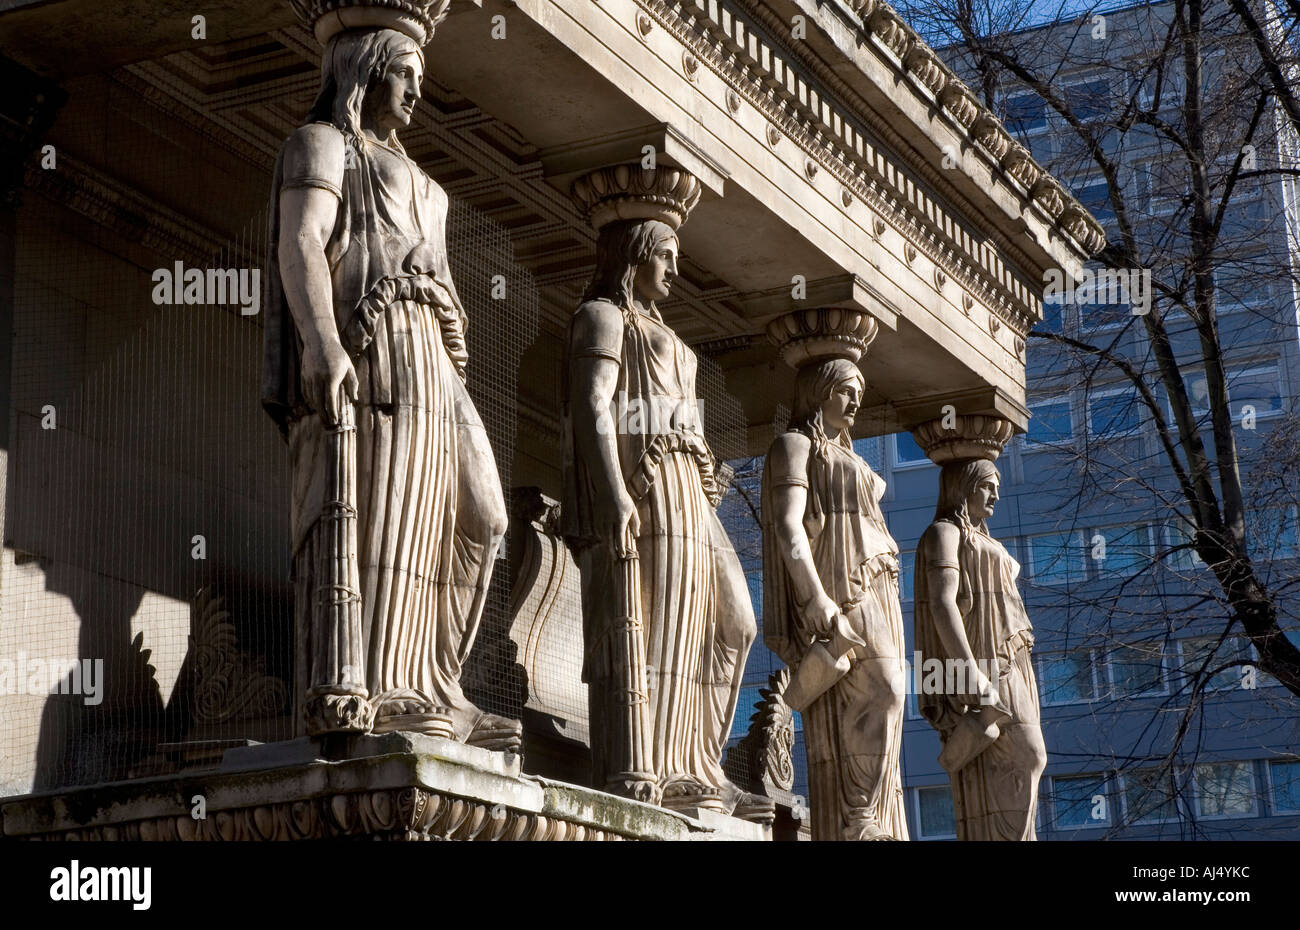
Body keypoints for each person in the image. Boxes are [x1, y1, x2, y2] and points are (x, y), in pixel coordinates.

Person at [262, 23, 519, 749]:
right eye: (403, 74)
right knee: (385, 508)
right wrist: (321, 342)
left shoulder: (429, 185)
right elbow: (302, 240)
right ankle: (384, 684)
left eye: (418, 77)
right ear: (364, 71)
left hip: (432, 351)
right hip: (371, 345)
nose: (414, 91)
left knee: (482, 515)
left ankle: (435, 680)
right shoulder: (321, 146)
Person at [561, 217, 759, 812]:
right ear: (634, 255)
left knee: (734, 623)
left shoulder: (668, 334)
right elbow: (593, 401)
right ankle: (657, 764)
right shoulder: (602, 317)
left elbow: (683, 419)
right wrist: (614, 491)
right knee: (660, 621)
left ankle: (695, 756)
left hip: (688, 485)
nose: (675, 270)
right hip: (645, 485)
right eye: (665, 256)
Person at [762, 357, 909, 840]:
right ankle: (858, 817)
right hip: (841, 584)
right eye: (845, 390)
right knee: (884, 686)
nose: (855, 401)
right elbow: (787, 526)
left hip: (879, 580)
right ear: (818, 390)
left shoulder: (855, 459)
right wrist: (813, 596)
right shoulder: (795, 446)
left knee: (893, 694)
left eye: (859, 392)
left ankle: (872, 816)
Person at [914, 458, 1047, 840]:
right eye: (987, 485)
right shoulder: (945, 533)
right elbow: (942, 604)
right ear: (963, 486)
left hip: (1015, 658)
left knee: (1032, 758)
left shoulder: (987, 541)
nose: (996, 494)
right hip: (986, 664)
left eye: (998, 486)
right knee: (1028, 753)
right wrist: (970, 675)